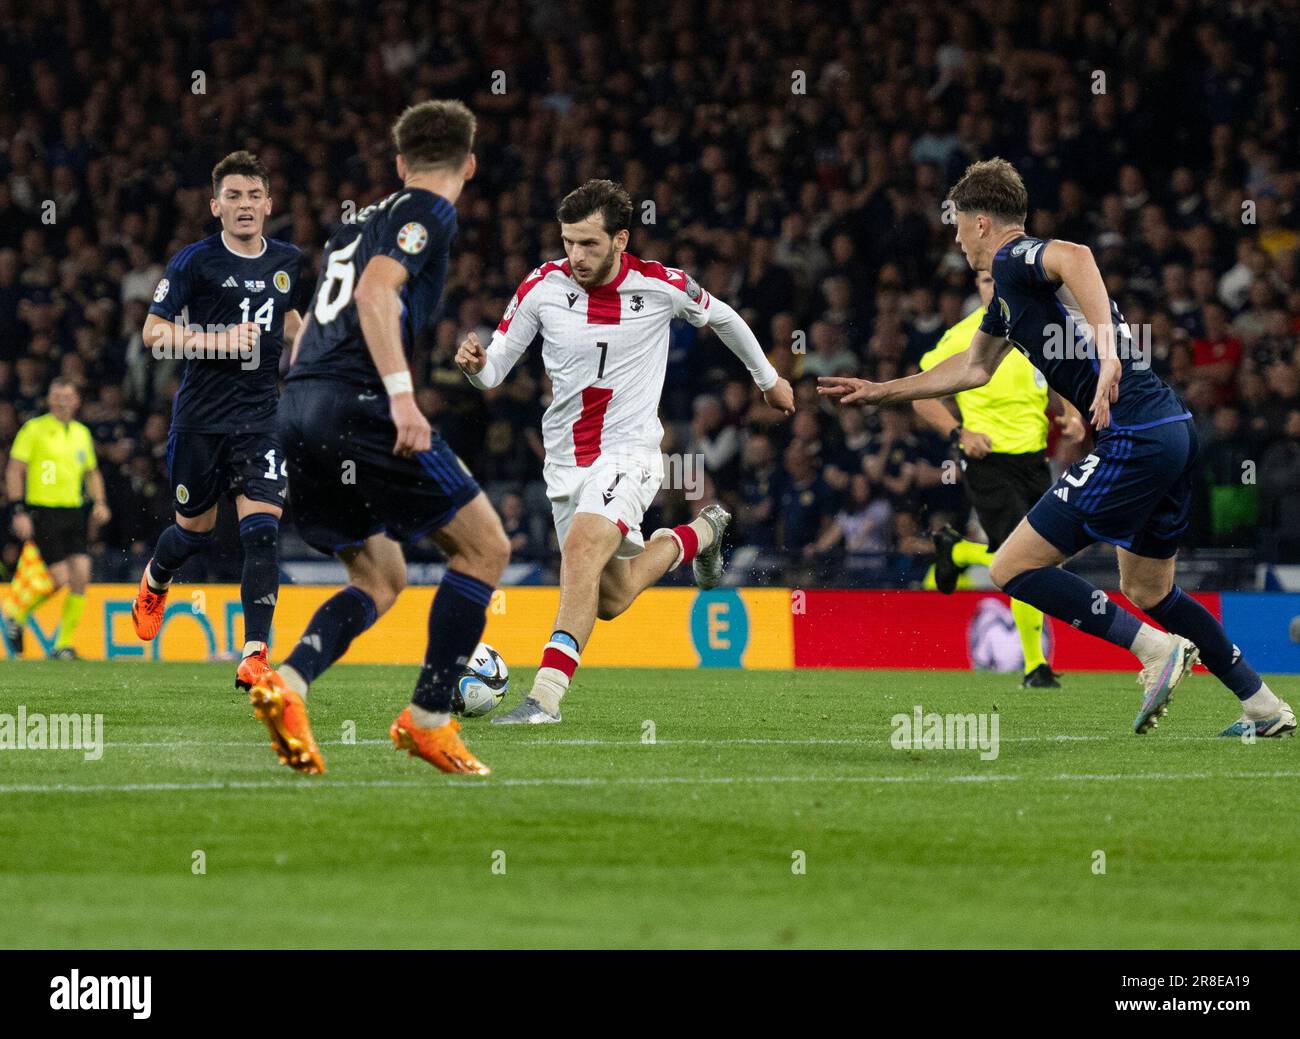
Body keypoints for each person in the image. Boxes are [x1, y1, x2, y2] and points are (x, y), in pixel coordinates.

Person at [820, 158, 1292, 737]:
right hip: (1172, 429)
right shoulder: (1007, 303)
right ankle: (1264, 707)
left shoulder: (1014, 258)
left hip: (1137, 435)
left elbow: (1078, 256)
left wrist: (1109, 351)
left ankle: (1153, 650)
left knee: (1011, 566)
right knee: (1148, 588)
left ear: (983, 222)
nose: (957, 239)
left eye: (959, 225)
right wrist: (882, 392)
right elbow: (971, 369)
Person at [457, 179, 794, 724]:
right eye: (568, 242)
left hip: (629, 452)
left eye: (588, 244)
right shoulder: (542, 286)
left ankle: (543, 698)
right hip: (566, 461)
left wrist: (767, 378)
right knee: (610, 597)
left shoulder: (660, 286)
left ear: (620, 239)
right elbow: (495, 367)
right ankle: (701, 533)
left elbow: (725, 317)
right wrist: (475, 369)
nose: (575, 256)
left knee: (583, 549)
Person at [268, 99, 510, 774]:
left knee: (382, 573)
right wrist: (403, 399)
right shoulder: (428, 208)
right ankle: (429, 718)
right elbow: (376, 296)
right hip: (361, 407)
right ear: (468, 163)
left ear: (400, 160)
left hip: (300, 407)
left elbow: (321, 318)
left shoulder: (359, 224)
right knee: (487, 547)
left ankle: (287, 683)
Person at [130, 151, 308, 691]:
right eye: (233, 196)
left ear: (269, 204)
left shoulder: (289, 260)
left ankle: (255, 655)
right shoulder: (194, 262)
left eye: (254, 196)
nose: (245, 205)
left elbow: (294, 324)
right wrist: (216, 341)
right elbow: (152, 334)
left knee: (262, 532)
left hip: (260, 420)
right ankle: (157, 579)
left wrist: (325, 358)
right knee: (195, 532)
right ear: (216, 206)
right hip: (200, 421)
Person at [914, 269, 1086, 688]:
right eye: (987, 280)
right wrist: (960, 433)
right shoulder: (963, 336)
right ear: (978, 286)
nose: (994, 286)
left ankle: (958, 554)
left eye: (999, 279)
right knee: (1024, 556)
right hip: (987, 459)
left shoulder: (1034, 326)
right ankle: (1035, 667)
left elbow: (1058, 371)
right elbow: (921, 393)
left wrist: (1071, 410)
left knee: (1045, 558)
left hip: (1033, 461)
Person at [2, 378, 110, 658]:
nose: (61, 402)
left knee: (82, 575)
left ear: (76, 401)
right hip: (43, 511)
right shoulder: (34, 429)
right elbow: (15, 470)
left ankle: (63, 644)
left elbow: (92, 472)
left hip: (73, 512)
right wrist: (17, 509)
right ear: (49, 400)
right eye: (56, 396)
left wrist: (99, 502)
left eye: (67, 397)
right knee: (59, 577)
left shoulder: (81, 433)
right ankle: (16, 613)